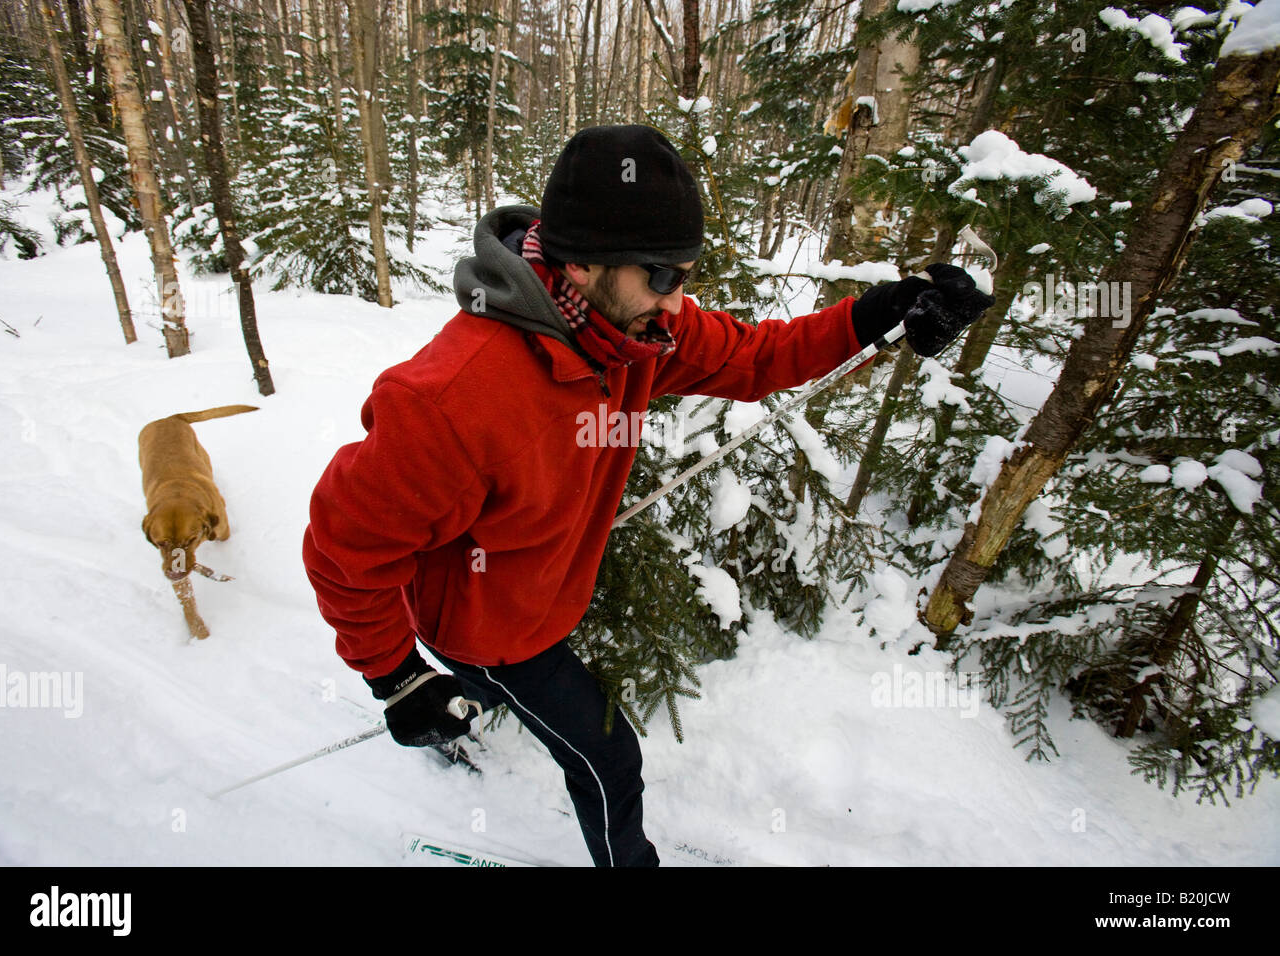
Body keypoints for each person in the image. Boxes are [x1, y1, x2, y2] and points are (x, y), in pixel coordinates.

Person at [302, 124, 993, 867]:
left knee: (505, 697)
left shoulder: (632, 332)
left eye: (685, 274)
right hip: (489, 627)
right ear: (582, 261)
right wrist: (397, 679)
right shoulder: (454, 400)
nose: (677, 300)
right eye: (662, 276)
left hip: (534, 592)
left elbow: (757, 356)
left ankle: (466, 708)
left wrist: (881, 311)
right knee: (608, 758)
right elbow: (343, 549)